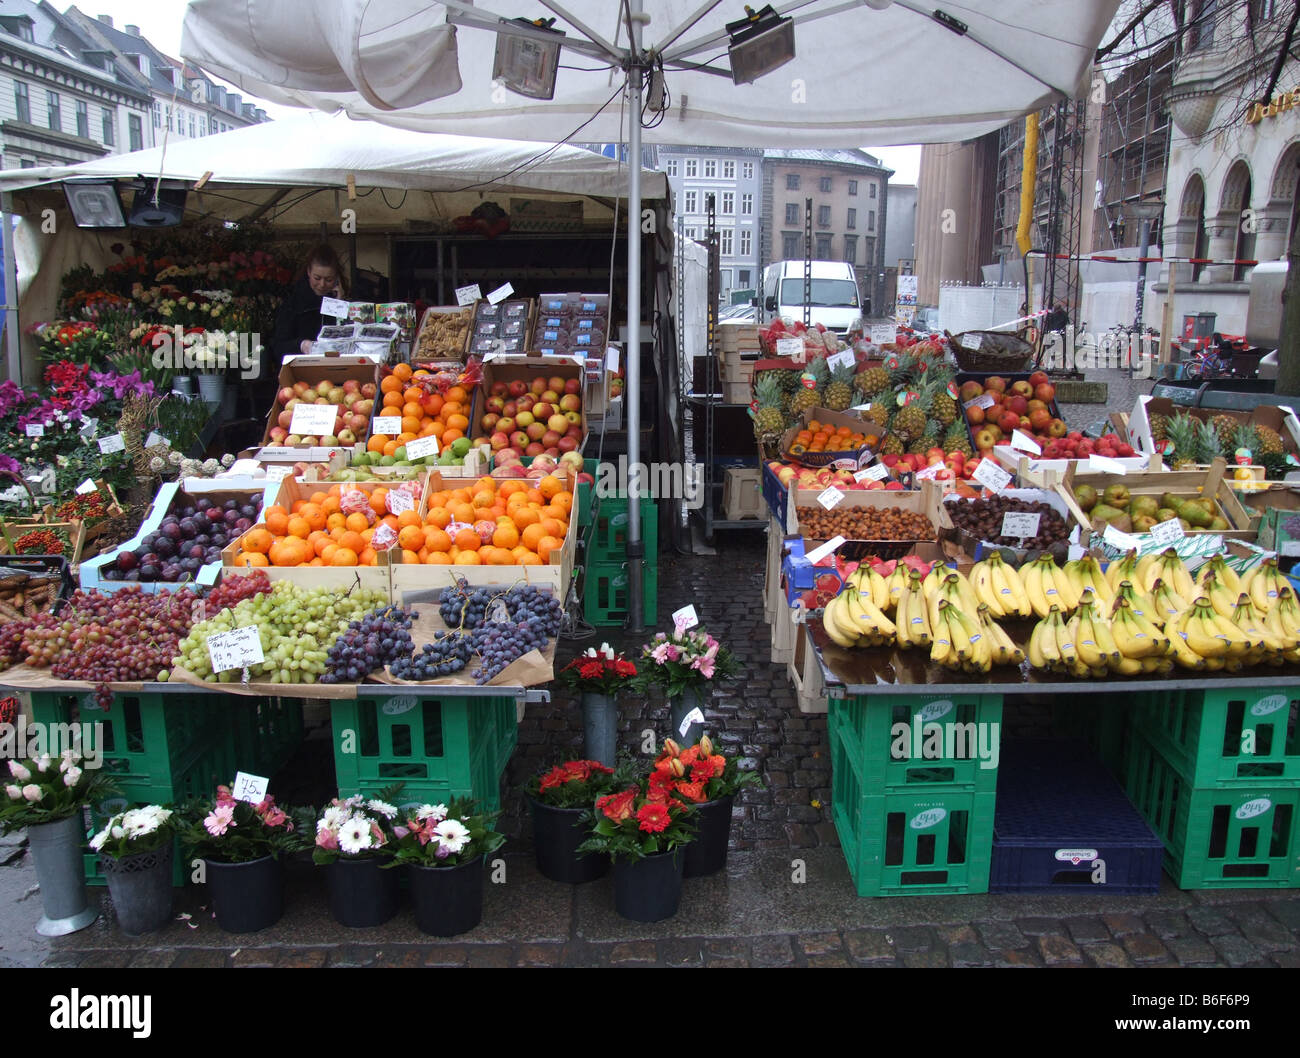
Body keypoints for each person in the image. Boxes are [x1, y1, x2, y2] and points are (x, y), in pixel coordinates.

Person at [270, 244, 347, 366]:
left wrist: (340, 304)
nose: (322, 284)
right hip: (302, 370)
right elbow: (278, 346)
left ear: (337, 277)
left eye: (329, 280)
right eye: (317, 278)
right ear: (308, 272)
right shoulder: (293, 301)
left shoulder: (344, 299)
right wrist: (301, 344)